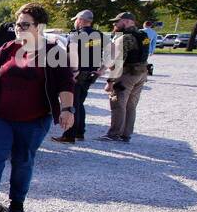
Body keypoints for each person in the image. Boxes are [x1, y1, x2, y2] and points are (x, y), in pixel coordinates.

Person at [0, 3, 75, 212]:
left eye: (25, 24)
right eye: (17, 24)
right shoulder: (7, 49)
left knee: (23, 160)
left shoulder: (53, 51)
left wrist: (67, 109)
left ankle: (17, 201)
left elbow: (66, 83)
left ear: (39, 27)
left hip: (34, 120)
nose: (19, 28)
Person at [51, 9, 105, 143]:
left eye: (76, 20)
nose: (75, 22)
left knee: (72, 105)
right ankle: (80, 132)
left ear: (80, 20)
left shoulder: (76, 35)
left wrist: (73, 73)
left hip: (78, 73)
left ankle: (69, 135)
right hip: (91, 74)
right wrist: (101, 69)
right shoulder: (99, 35)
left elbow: (72, 54)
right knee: (80, 103)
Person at [101, 12, 150, 142]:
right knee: (131, 105)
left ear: (127, 21)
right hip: (141, 73)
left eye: (117, 21)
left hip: (127, 74)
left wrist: (110, 81)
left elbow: (118, 61)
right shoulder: (143, 35)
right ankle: (126, 134)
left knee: (118, 104)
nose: (115, 24)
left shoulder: (125, 38)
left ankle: (114, 134)